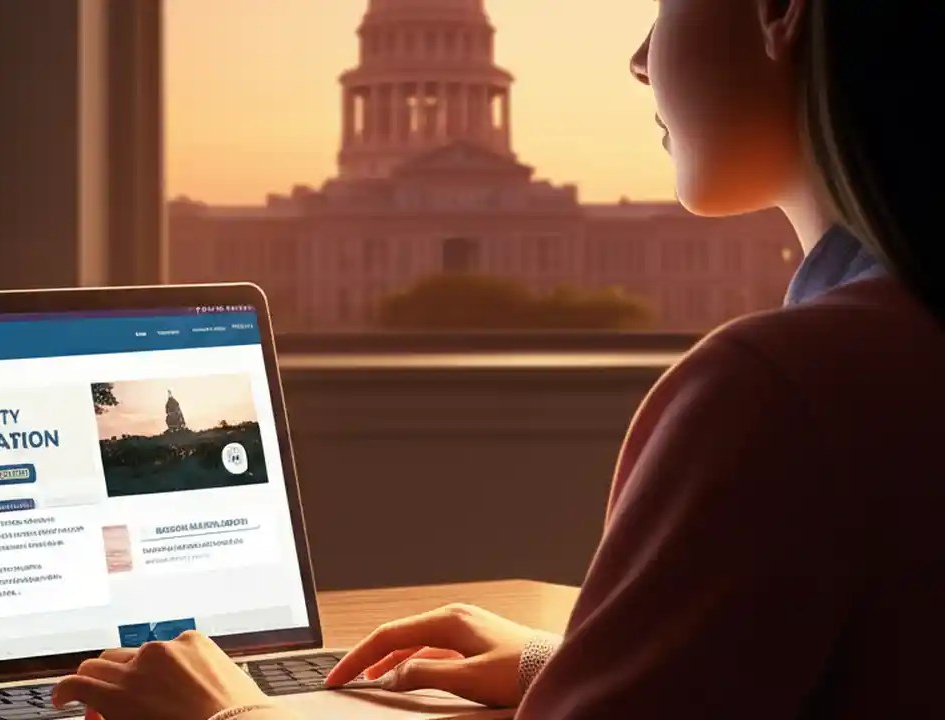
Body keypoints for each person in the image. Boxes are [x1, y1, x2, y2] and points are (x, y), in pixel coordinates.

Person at [52, 1, 943, 717]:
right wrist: (575, 664)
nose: (639, 57)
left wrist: (230, 718)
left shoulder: (778, 392)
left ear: (780, 12)